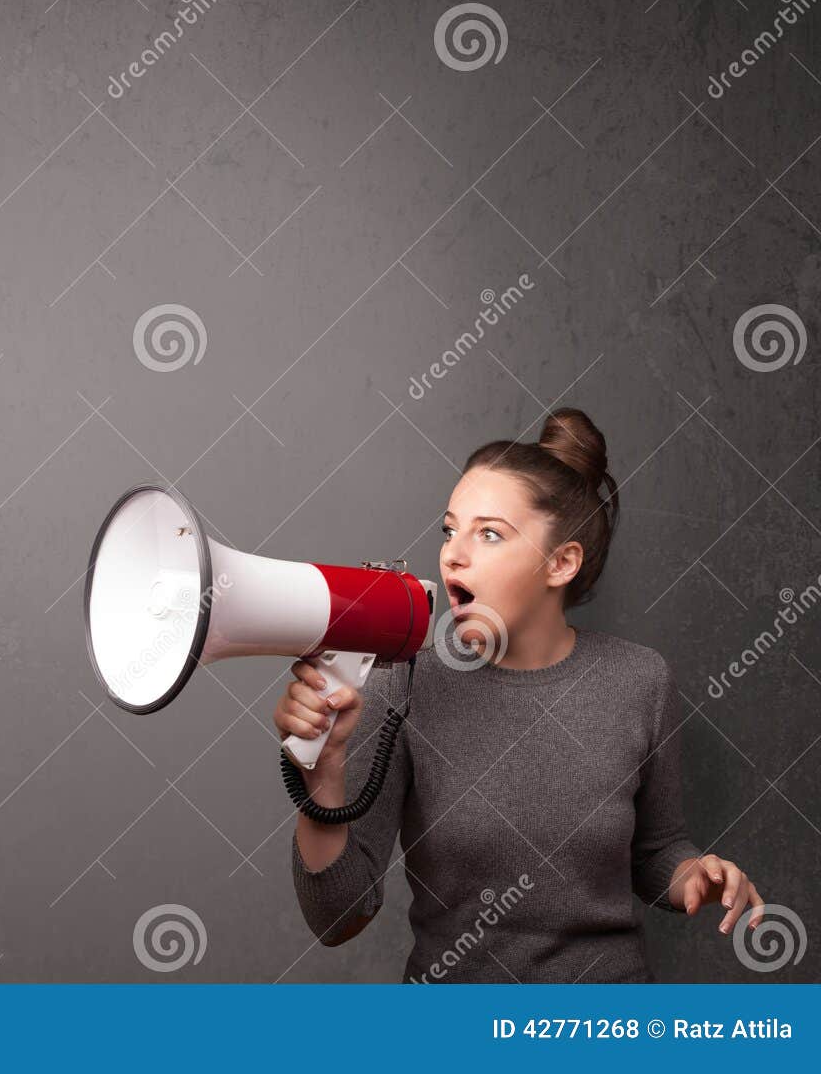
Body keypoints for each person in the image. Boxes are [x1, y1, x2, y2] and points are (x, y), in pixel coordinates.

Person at [281, 407, 764, 982]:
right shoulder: (401, 684)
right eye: (449, 528)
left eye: (489, 533)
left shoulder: (640, 681)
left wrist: (693, 876)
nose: (453, 553)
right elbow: (338, 919)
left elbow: (658, 849)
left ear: (561, 562)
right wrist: (323, 773)